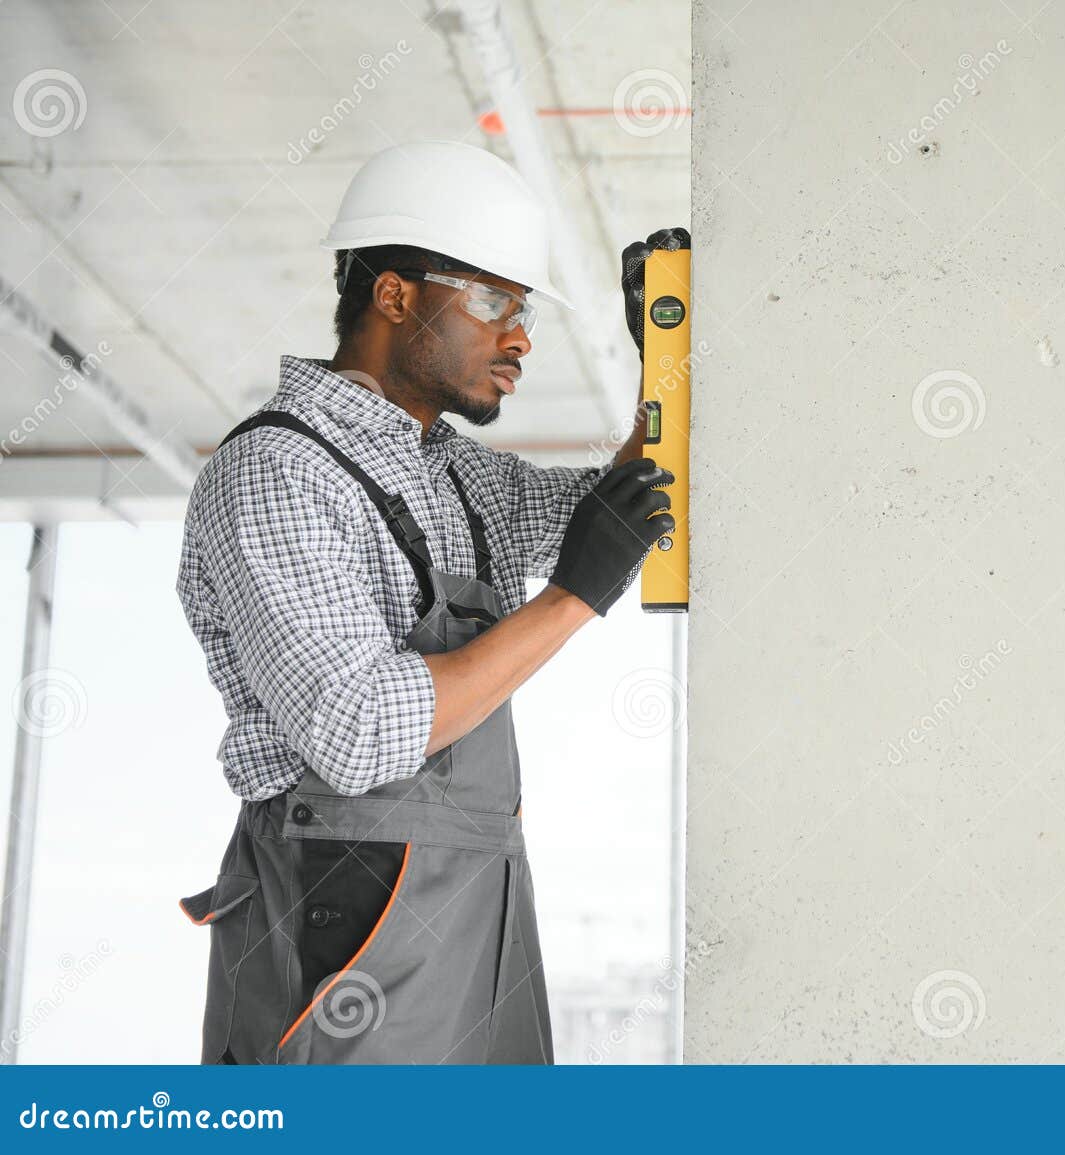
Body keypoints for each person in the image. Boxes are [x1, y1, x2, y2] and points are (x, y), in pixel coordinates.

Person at [174, 139, 684, 1064]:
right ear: (395, 295)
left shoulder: (450, 472)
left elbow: (621, 513)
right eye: (495, 302)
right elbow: (361, 731)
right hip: (346, 913)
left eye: (523, 310)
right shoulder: (277, 471)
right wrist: (574, 596)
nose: (520, 336)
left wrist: (671, 361)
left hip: (483, 896)